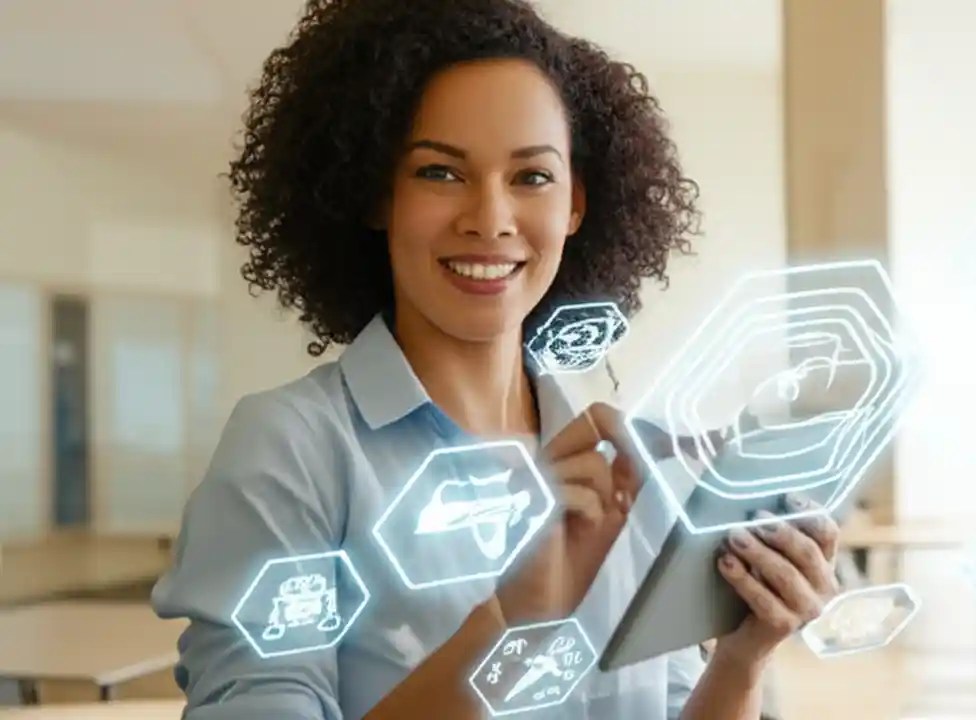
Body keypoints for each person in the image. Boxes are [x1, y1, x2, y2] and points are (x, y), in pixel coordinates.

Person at [151, 1, 840, 718]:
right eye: (440, 173)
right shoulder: (294, 450)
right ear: (375, 194)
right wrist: (510, 622)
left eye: (532, 177)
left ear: (577, 202)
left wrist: (741, 656)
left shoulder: (622, 471)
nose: (489, 218)